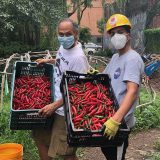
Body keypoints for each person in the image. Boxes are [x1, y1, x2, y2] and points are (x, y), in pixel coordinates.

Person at [33, 18, 90, 160]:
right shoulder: (63, 48)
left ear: (75, 34)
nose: (64, 37)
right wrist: (49, 61)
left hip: (65, 110)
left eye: (68, 34)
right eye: (61, 34)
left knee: (66, 151)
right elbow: (62, 62)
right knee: (41, 139)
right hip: (52, 99)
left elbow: (77, 90)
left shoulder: (79, 58)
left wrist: (54, 106)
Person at [101, 14, 144, 160]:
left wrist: (116, 120)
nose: (115, 36)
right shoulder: (115, 57)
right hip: (111, 115)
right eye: (112, 34)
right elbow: (105, 77)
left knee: (116, 156)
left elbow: (132, 91)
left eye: (120, 32)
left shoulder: (132, 58)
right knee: (108, 151)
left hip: (121, 122)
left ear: (128, 35)